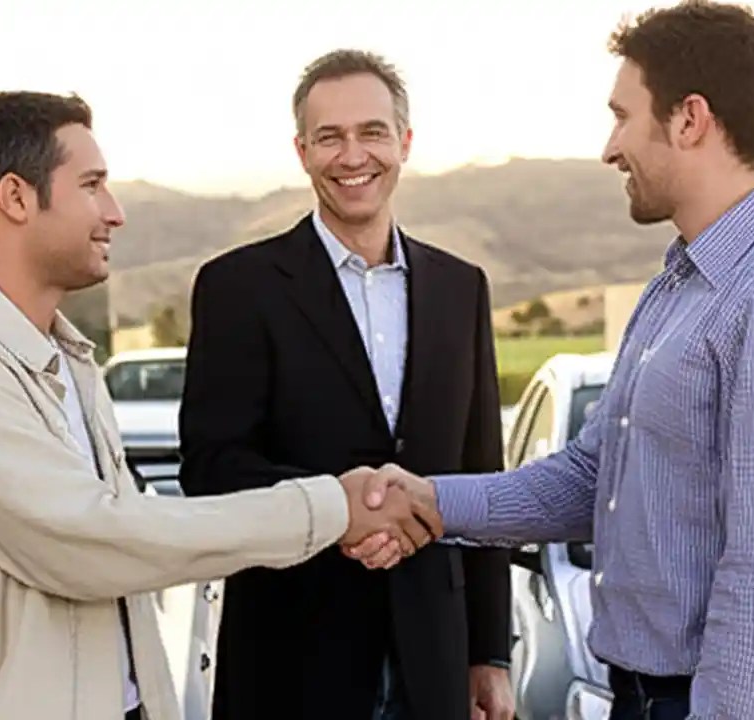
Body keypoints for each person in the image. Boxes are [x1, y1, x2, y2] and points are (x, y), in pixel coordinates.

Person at [347, 3, 754, 719]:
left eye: (623, 115)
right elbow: (594, 476)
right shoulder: (681, 285)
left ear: (690, 119)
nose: (610, 147)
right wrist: (433, 503)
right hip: (645, 697)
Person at [0, 90, 441, 720]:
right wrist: (331, 506)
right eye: (92, 185)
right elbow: (96, 543)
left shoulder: (64, 359)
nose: (114, 213)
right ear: (15, 198)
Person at [177, 49, 514, 720]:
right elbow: (212, 469)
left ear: (404, 142)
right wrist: (338, 510)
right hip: (291, 659)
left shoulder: (460, 287)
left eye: (371, 132)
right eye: (329, 137)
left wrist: (490, 652)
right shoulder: (237, 288)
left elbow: (483, 474)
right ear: (302, 151)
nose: (351, 155)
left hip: (434, 661)